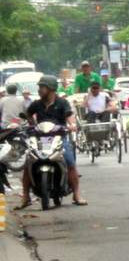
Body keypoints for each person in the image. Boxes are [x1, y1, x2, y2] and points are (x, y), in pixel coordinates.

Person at [20, 76, 85, 207]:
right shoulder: (36, 104)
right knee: (28, 163)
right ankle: (26, 196)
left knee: (70, 161)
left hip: (59, 137)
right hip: (39, 139)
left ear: (51, 89)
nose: (39, 90)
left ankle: (76, 194)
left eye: (42, 87)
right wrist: (31, 123)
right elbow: (27, 114)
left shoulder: (62, 103)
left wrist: (71, 125)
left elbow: (69, 115)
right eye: (39, 87)